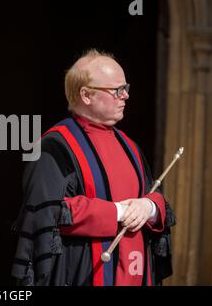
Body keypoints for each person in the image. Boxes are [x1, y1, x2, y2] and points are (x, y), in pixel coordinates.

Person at [12, 49, 176, 286]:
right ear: (86, 95)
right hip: (84, 275)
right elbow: (47, 214)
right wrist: (118, 212)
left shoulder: (131, 147)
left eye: (126, 88)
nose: (125, 96)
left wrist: (148, 206)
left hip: (136, 274)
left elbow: (154, 195)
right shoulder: (53, 147)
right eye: (117, 90)